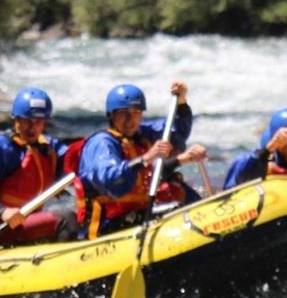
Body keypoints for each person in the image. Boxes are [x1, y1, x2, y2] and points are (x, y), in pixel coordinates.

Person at [72, 81, 208, 237]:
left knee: (178, 192)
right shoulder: (102, 143)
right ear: (111, 115)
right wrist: (146, 158)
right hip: (108, 225)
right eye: (124, 113)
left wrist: (181, 102)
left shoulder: (142, 135)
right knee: (175, 210)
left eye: (136, 112)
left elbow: (176, 132)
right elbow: (112, 182)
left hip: (137, 214)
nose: (130, 119)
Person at [0, 87, 74, 245]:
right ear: (16, 119)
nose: (32, 128)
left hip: (26, 223)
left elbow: (75, 159)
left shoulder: (49, 148)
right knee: (66, 218)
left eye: (38, 122)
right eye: (27, 121)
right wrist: (0, 211)